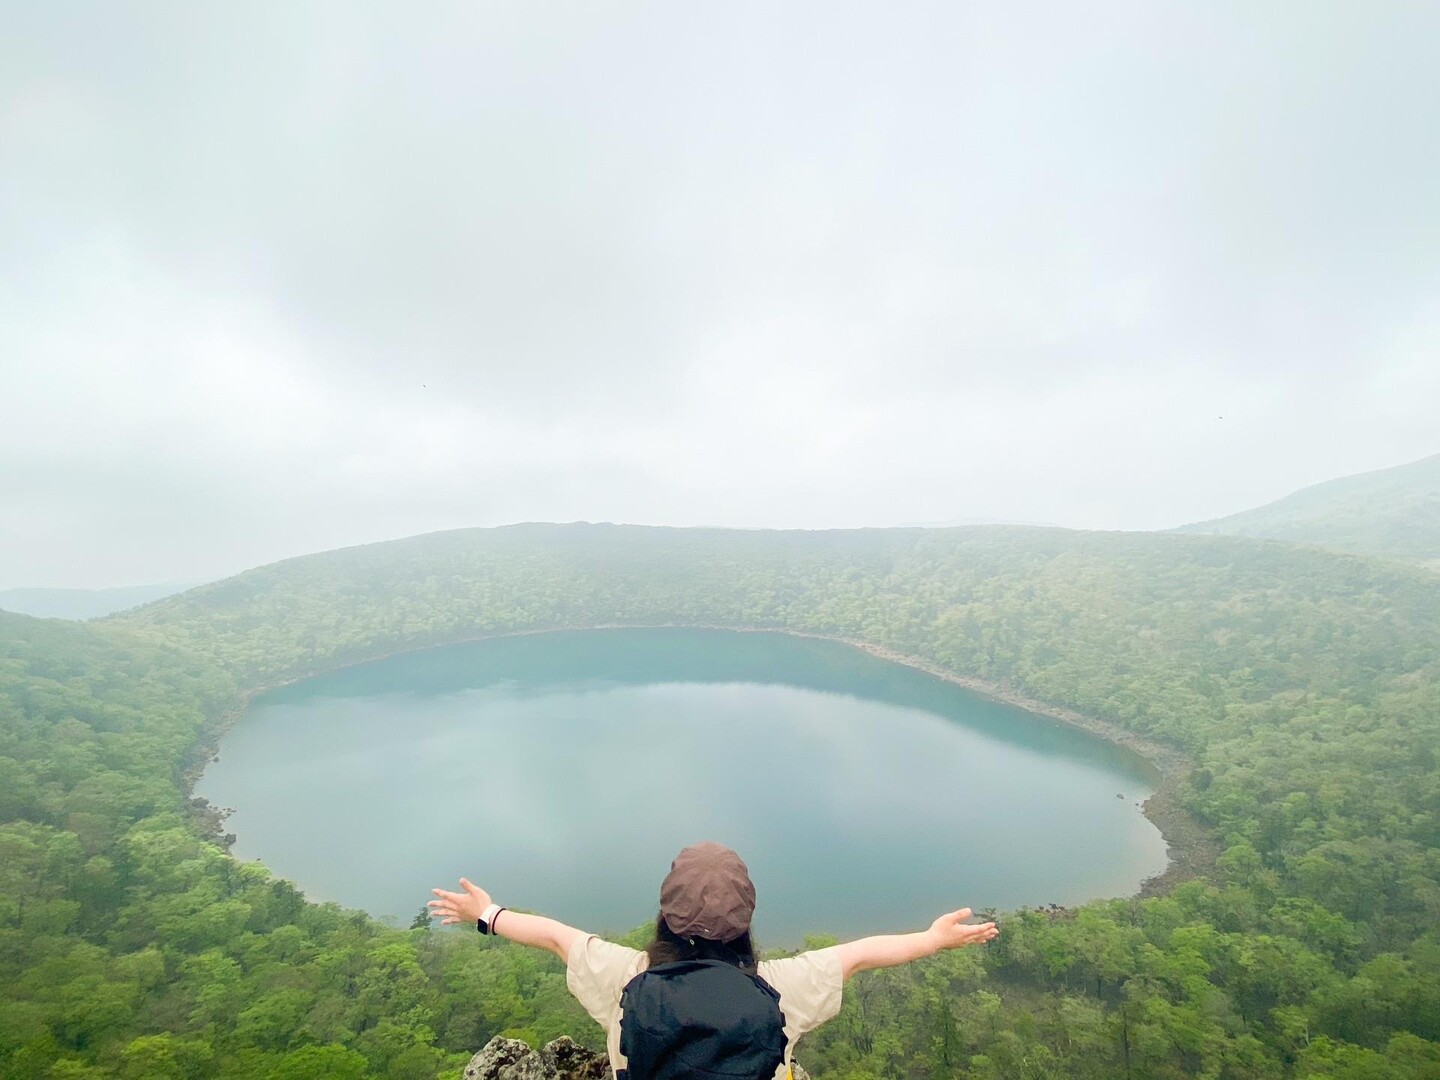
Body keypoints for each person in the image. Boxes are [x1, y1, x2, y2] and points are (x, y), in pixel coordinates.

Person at [428, 841, 999, 1080]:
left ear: (665, 917)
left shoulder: (629, 980)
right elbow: (859, 957)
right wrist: (932, 939)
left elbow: (556, 937)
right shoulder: (779, 991)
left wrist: (489, 913)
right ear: (745, 923)